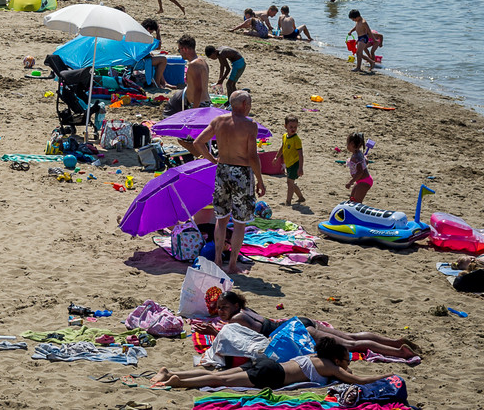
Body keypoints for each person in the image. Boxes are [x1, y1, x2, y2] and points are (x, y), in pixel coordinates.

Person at [207, 291, 417, 359]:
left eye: (224, 307)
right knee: (351, 336)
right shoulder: (245, 310)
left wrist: (213, 330)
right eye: (219, 308)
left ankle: (399, 351)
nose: (221, 311)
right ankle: (395, 341)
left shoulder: (235, 320)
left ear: (235, 305)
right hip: (299, 321)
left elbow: (250, 340)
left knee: (351, 345)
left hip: (297, 331)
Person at [190, 91, 265, 275]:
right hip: (241, 173)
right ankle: (231, 265)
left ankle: (217, 260)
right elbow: (252, 156)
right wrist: (260, 180)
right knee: (239, 222)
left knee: (221, 219)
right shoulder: (250, 125)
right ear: (245, 103)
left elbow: (198, 142)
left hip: (222, 171)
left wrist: (212, 159)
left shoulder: (219, 121)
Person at [153, 336, 403, 390]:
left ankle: (172, 372)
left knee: (224, 373)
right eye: (346, 362)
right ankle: (178, 381)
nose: (346, 367)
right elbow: (358, 380)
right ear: (338, 358)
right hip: (272, 374)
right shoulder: (332, 367)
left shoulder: (313, 356)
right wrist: (383, 376)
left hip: (266, 362)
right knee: (221, 379)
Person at [166, 35, 208, 114]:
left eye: (179, 50)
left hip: (199, 105)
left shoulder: (194, 65)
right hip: (203, 103)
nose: (180, 53)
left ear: (184, 49)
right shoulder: (202, 61)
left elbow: (198, 89)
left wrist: (194, 109)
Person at [281, 115, 306, 205]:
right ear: (285, 126)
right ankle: (301, 197)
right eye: (291, 127)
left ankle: (288, 202)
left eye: (295, 127)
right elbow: (282, 147)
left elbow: (300, 154)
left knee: (289, 182)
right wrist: (276, 157)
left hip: (295, 164)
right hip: (288, 163)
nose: (293, 129)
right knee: (291, 182)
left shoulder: (297, 140)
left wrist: (300, 167)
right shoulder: (284, 136)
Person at [347, 9, 378, 74]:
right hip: (360, 38)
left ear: (357, 17)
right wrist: (351, 31)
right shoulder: (357, 21)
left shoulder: (363, 22)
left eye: (353, 19)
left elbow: (369, 32)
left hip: (364, 38)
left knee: (359, 52)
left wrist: (374, 40)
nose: (353, 20)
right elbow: (355, 27)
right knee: (358, 53)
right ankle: (371, 62)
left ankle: (358, 67)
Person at [345, 131, 373, 204]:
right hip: (360, 181)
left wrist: (351, 182)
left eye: (347, 144)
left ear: (352, 144)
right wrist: (365, 159)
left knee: (357, 202)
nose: (346, 146)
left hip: (364, 181)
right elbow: (365, 163)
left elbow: (360, 172)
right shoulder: (359, 154)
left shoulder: (356, 157)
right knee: (352, 198)